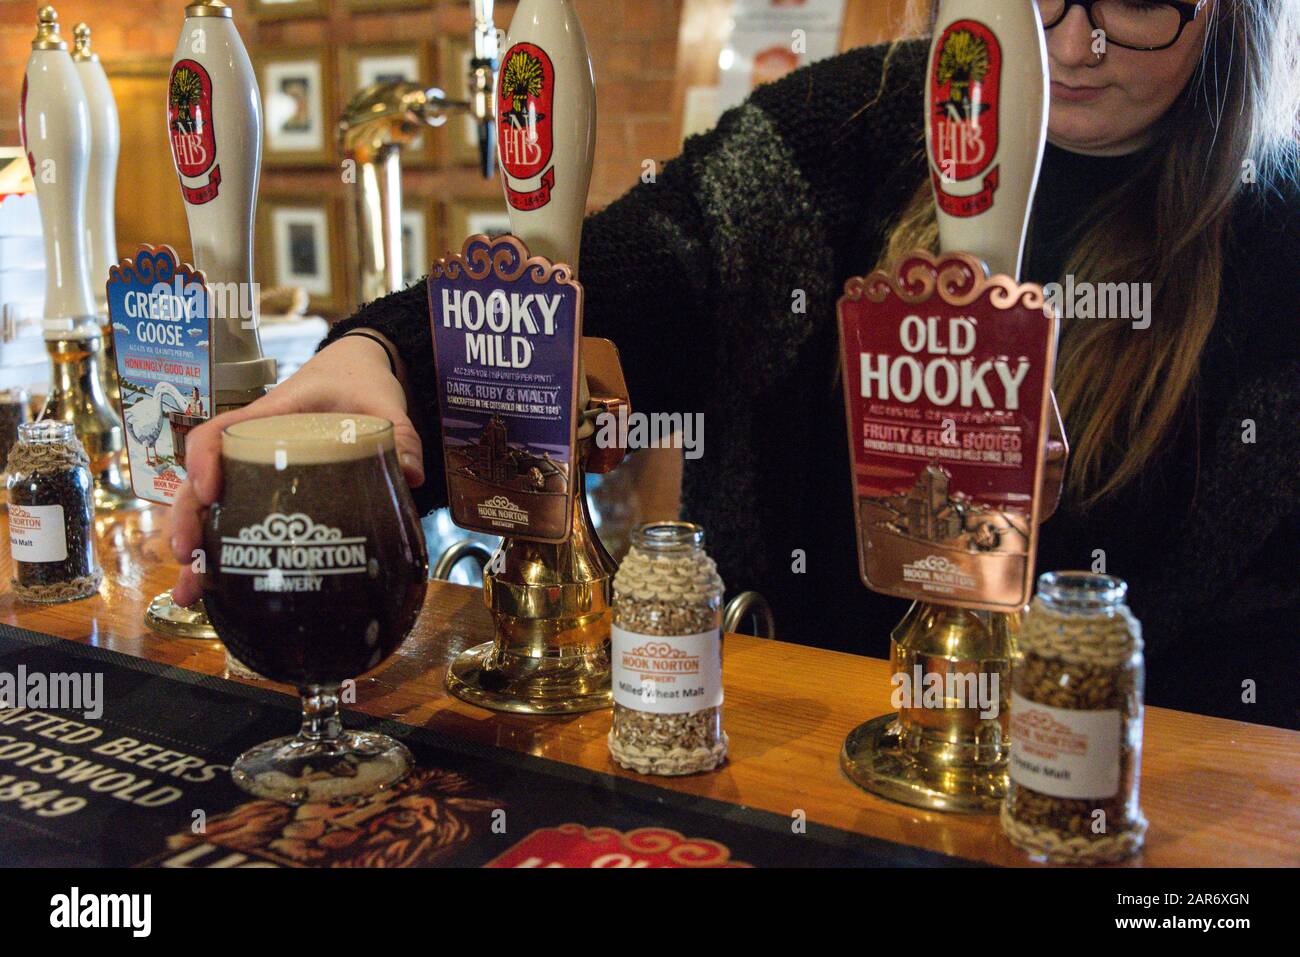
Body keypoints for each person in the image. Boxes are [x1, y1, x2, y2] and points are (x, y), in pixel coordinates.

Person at [171, 0, 1299, 729]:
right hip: (765, 769)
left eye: (1144, 0)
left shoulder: (1275, 250)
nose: (1070, 41)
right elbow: (631, 270)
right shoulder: (848, 125)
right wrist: (383, 356)